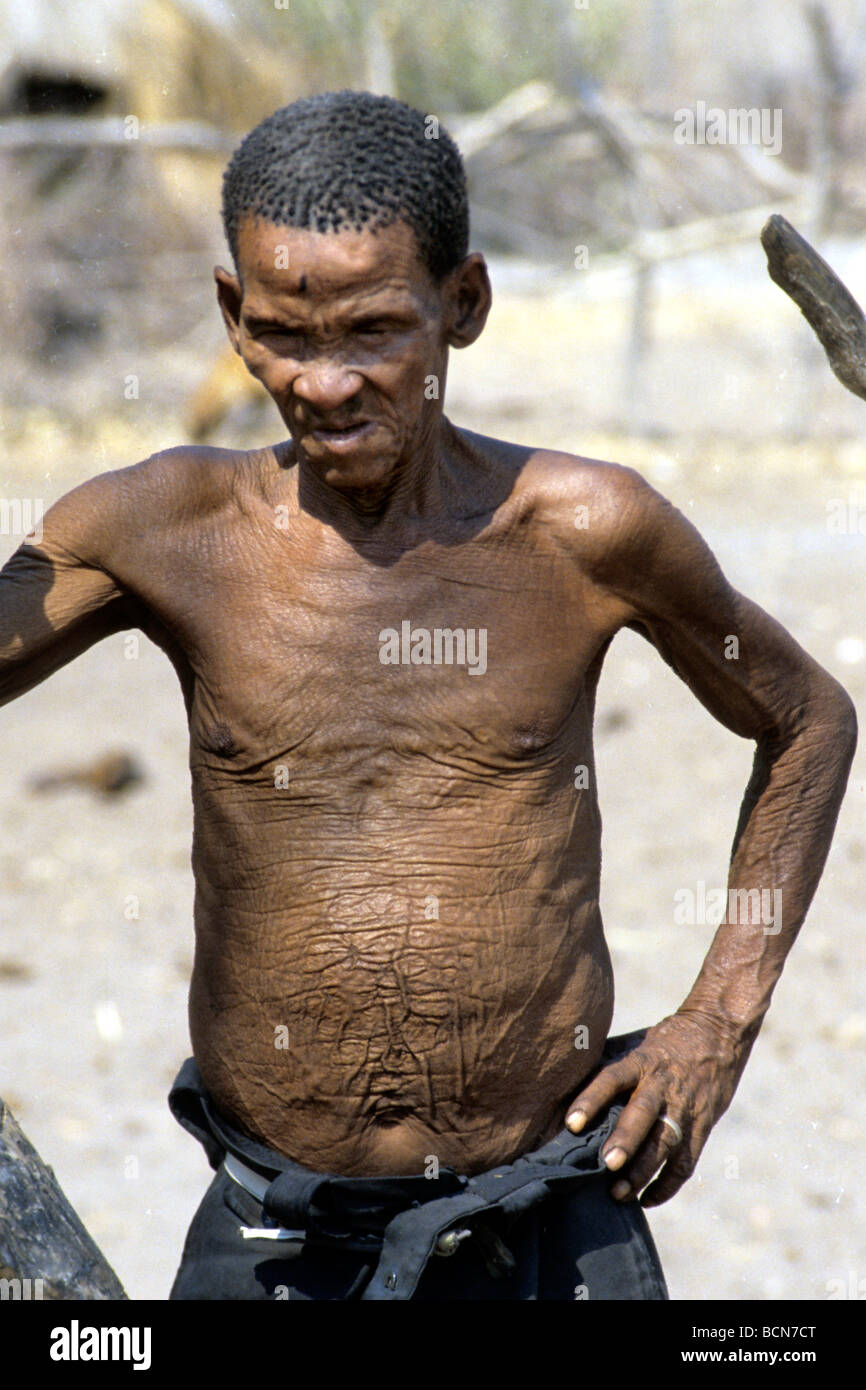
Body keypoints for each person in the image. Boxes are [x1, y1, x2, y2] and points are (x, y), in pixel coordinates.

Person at [0, 91, 856, 1301]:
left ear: (463, 306)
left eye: (373, 332)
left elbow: (807, 719)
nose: (326, 384)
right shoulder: (156, 529)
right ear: (231, 314)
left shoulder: (582, 531)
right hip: (276, 1226)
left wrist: (716, 1019)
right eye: (285, 338)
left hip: (546, 1207)